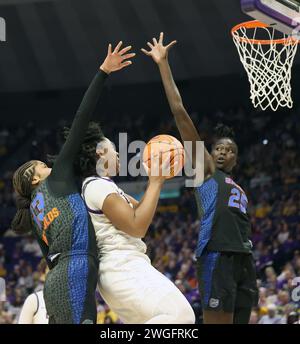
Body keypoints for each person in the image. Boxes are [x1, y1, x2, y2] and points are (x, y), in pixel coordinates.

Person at [11, 41, 135, 324]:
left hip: (56, 280)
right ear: (35, 177)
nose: (49, 163)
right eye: (42, 164)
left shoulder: (34, 211)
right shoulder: (56, 180)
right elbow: (81, 121)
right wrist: (103, 72)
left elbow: (48, 258)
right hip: (73, 272)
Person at [142, 32, 258, 324]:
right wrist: (163, 64)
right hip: (216, 256)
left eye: (228, 150)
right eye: (217, 148)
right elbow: (180, 112)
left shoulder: (239, 187)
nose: (221, 152)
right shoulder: (205, 172)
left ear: (236, 158)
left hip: (243, 258)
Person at [69, 125, 195, 324]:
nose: (118, 153)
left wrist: (154, 176)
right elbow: (138, 227)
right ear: (100, 152)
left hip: (125, 267)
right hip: (121, 266)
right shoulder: (96, 185)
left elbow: (141, 212)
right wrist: (155, 182)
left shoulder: (106, 187)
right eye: (113, 149)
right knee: (181, 316)